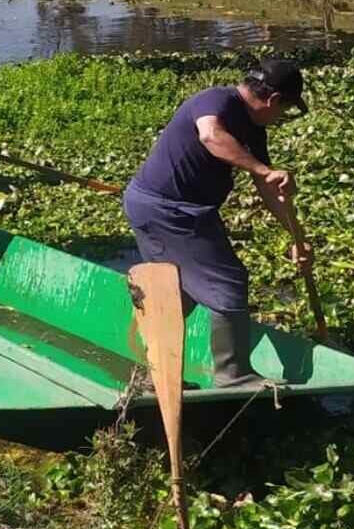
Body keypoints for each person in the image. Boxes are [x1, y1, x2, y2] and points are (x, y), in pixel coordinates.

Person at [123, 59, 312, 388]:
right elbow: (211, 136)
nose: (280, 118)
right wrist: (263, 170)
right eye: (284, 110)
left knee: (180, 290)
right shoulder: (216, 100)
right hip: (166, 209)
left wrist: (298, 238)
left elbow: (267, 188)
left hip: (190, 210)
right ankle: (233, 374)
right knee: (228, 281)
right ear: (273, 100)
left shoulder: (255, 130)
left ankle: (151, 371)